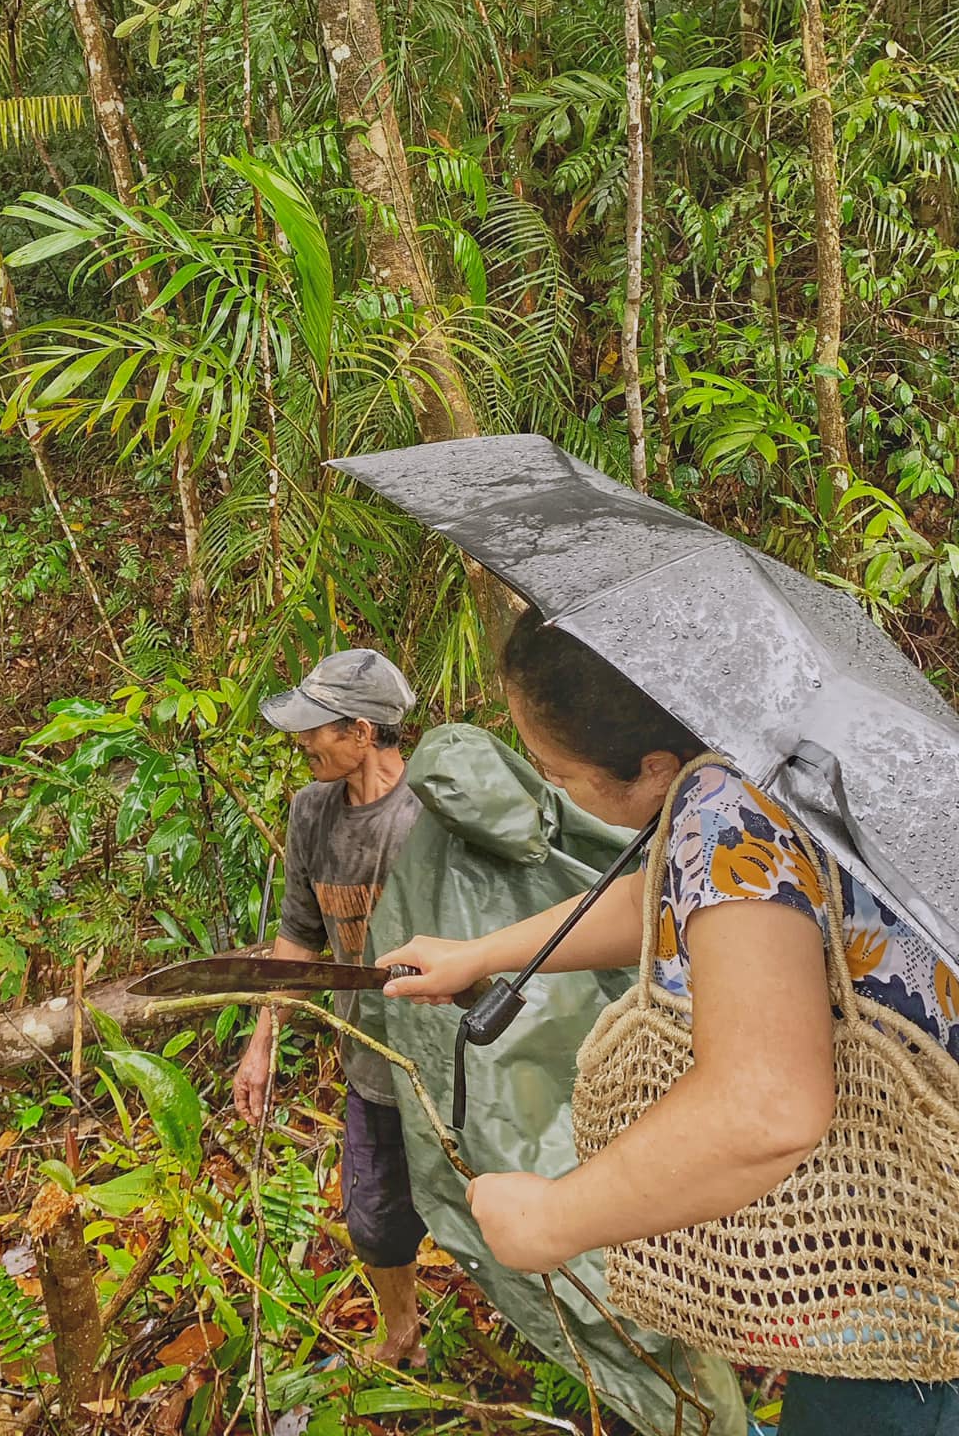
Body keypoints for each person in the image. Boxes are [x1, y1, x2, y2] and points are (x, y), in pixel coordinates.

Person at [379, 607, 959, 1436]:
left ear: (651, 766)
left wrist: (552, 1219)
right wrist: (482, 954)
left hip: (915, 1276)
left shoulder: (728, 805)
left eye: (558, 770)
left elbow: (763, 1106)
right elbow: (685, 891)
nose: (552, 790)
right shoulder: (775, 749)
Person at [235, 648, 429, 1367]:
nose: (301, 743)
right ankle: (403, 1334)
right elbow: (298, 938)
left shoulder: (427, 815)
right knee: (374, 1220)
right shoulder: (312, 812)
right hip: (370, 1059)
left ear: (362, 732)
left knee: (492, 1215)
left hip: (449, 1067)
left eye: (315, 729)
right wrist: (260, 1046)